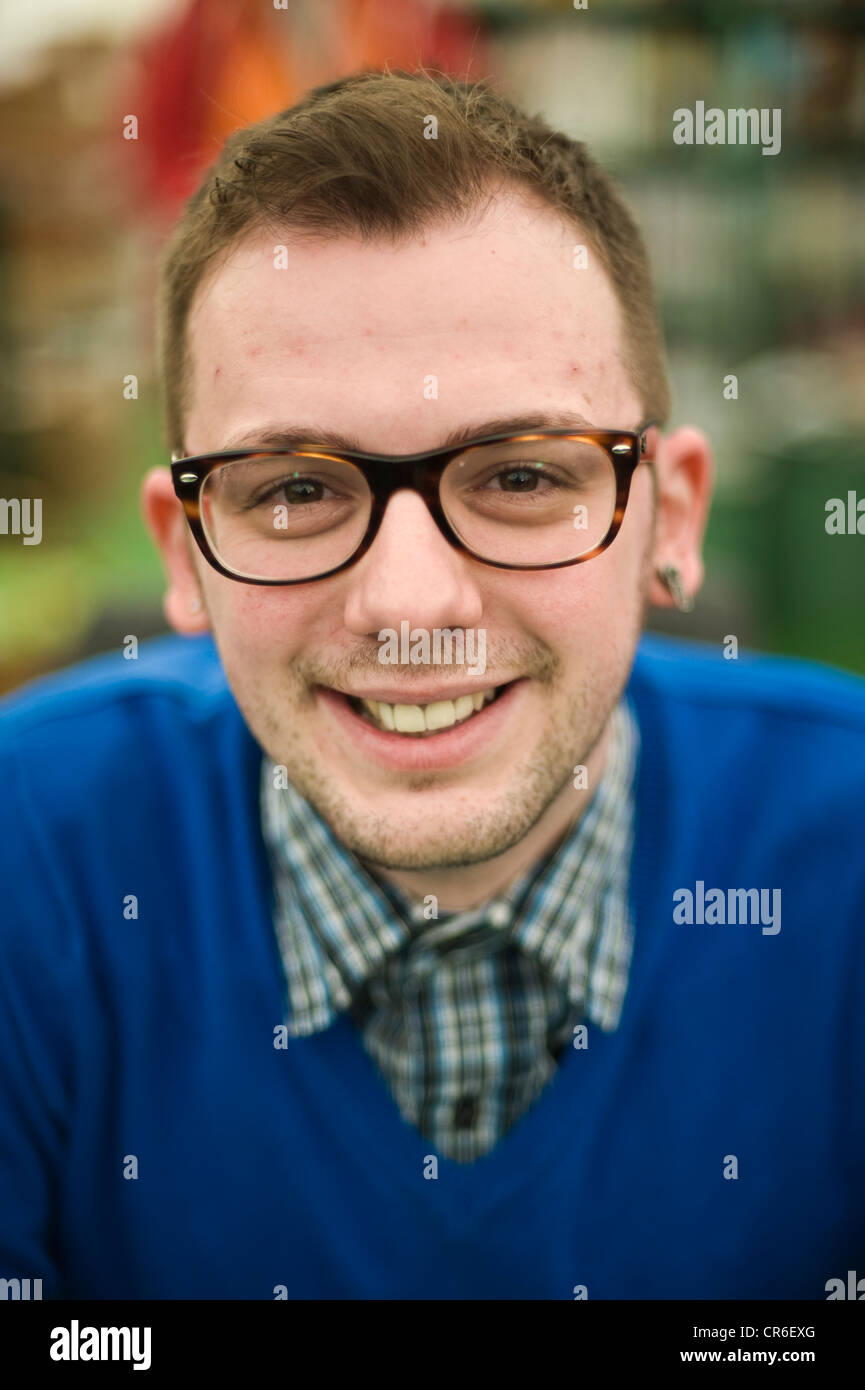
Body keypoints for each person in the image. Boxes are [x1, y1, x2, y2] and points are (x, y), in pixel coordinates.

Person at [1, 69, 863, 1301]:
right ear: (184, 552)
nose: (409, 604)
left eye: (518, 476)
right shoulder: (25, 858)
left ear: (672, 519)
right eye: (294, 489)